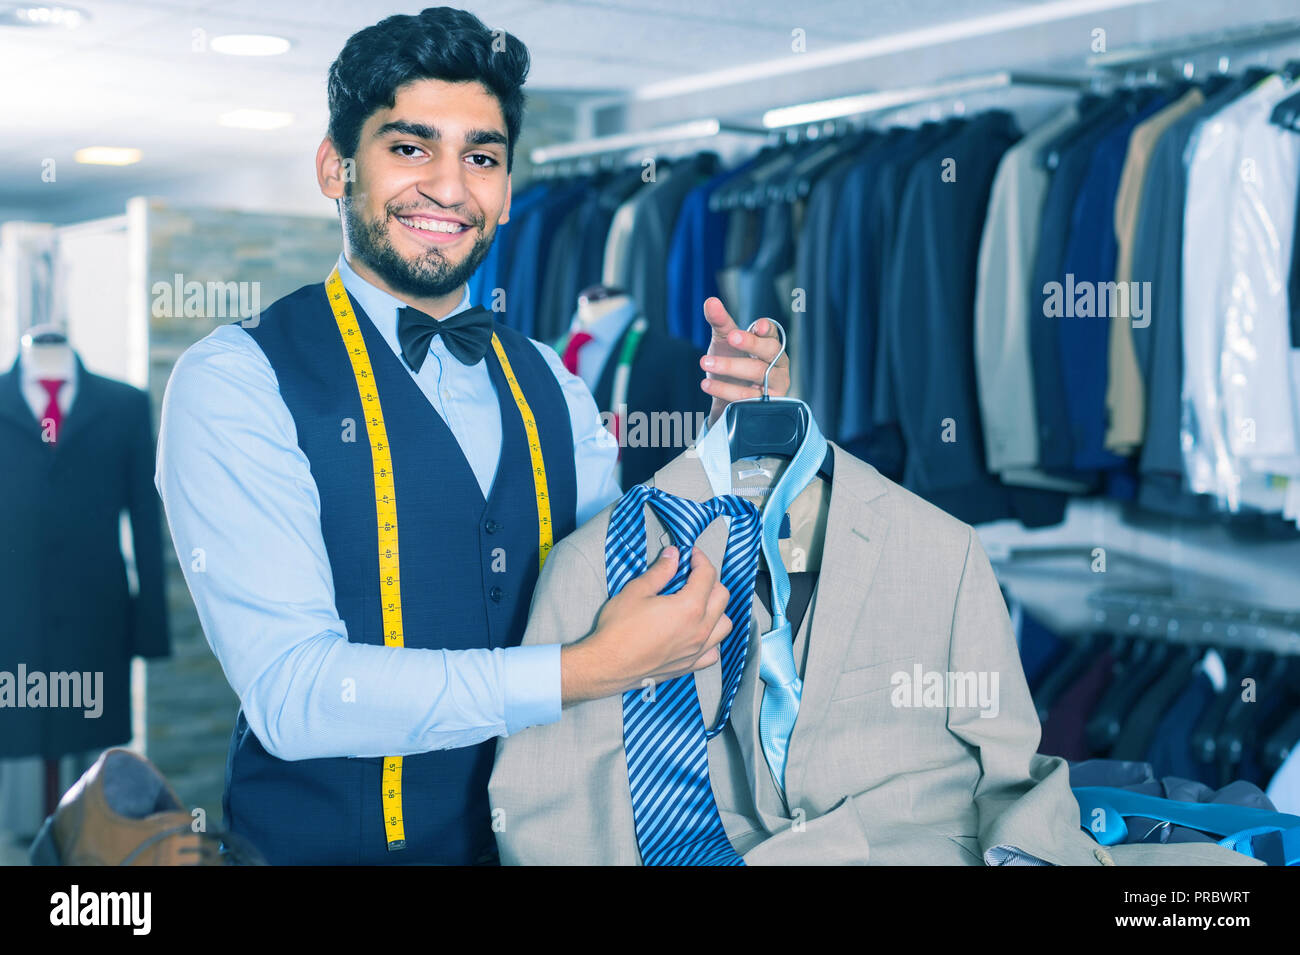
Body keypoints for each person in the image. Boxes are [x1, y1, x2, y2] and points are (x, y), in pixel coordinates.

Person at [154, 6, 789, 865]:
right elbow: (293, 691)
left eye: (481, 157)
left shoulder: (552, 384)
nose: (450, 188)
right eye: (409, 148)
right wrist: (582, 670)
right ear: (334, 167)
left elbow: (633, 570)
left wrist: (734, 436)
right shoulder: (235, 379)